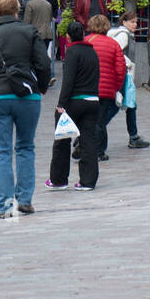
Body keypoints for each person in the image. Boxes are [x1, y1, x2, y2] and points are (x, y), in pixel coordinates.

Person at [0, 0, 51, 218]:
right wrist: (41, 87)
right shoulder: (29, 31)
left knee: (1, 151)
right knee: (25, 147)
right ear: (18, 9)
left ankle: (5, 204)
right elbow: (43, 64)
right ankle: (24, 199)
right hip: (27, 95)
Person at [46, 21, 101, 191]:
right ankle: (88, 181)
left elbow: (68, 81)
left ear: (68, 36)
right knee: (89, 141)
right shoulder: (92, 52)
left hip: (74, 101)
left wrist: (61, 104)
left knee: (62, 139)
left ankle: (59, 179)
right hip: (92, 100)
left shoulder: (72, 52)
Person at [85, 16, 128, 161]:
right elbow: (121, 69)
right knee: (100, 120)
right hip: (106, 89)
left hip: (87, 87)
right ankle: (99, 151)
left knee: (87, 119)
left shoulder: (86, 41)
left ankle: (84, 146)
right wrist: (115, 87)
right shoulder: (113, 44)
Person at [107, 11, 150, 148]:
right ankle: (88, 134)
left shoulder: (125, 35)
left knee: (131, 105)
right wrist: (127, 64)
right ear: (124, 22)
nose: (135, 24)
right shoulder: (124, 36)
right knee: (114, 107)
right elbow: (116, 52)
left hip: (123, 74)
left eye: (136, 22)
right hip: (122, 75)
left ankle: (134, 136)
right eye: (132, 21)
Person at [24, 0, 55, 75]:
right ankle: (46, 74)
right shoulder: (47, 4)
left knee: (35, 58)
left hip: (36, 34)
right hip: (47, 33)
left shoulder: (30, 4)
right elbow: (50, 18)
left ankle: (39, 76)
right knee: (43, 56)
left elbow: (27, 22)